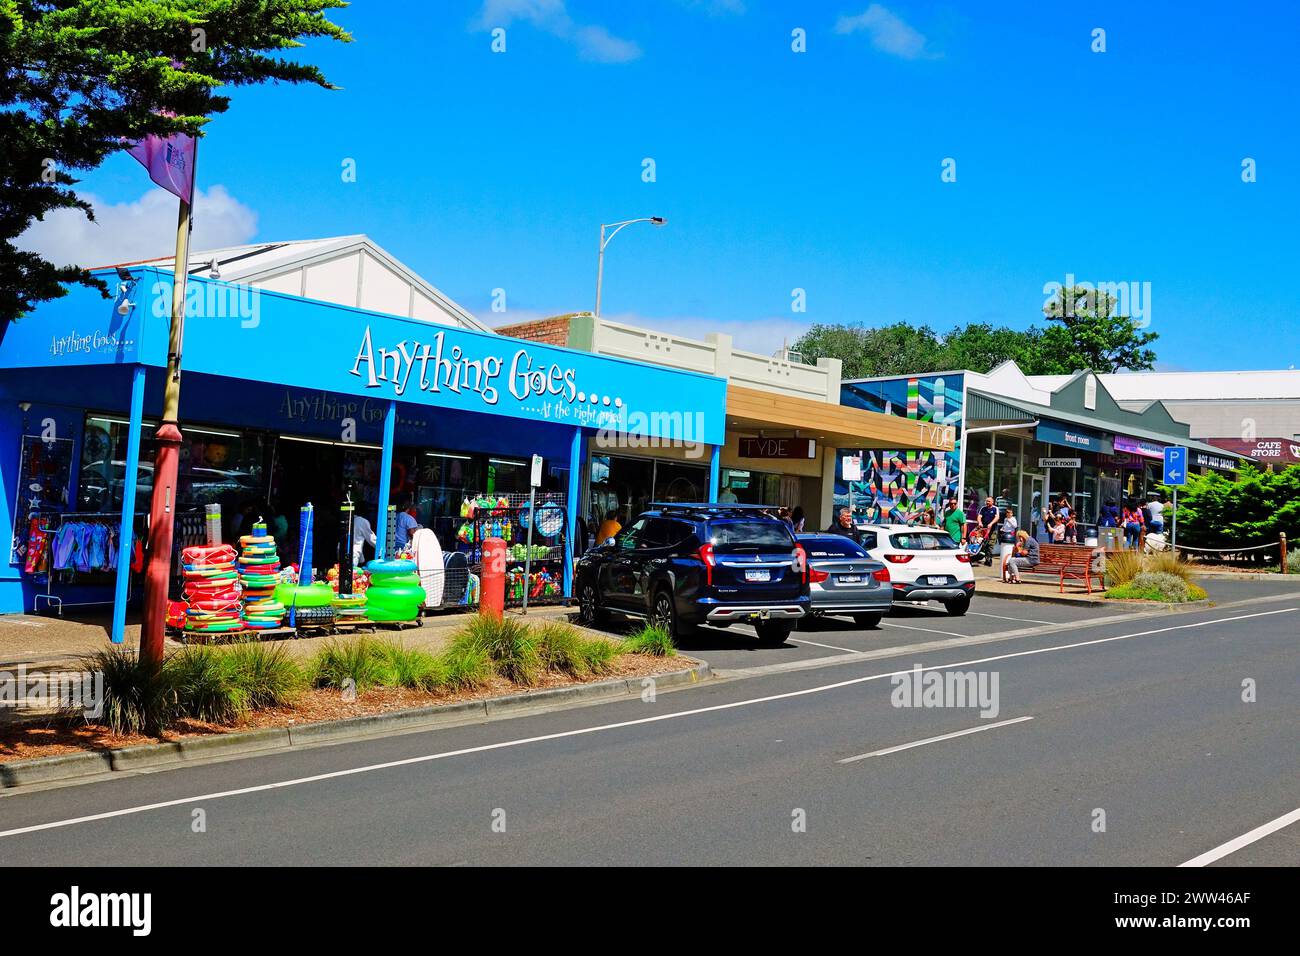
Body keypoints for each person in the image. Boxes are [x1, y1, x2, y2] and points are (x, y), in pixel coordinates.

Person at [997, 507, 1019, 578]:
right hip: (1005, 533)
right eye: (1007, 512)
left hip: (1011, 533)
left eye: (1009, 513)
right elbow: (1004, 525)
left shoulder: (1013, 519)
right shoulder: (1005, 519)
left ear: (1012, 513)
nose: (1008, 514)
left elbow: (1015, 526)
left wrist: (1009, 521)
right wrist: (1002, 528)